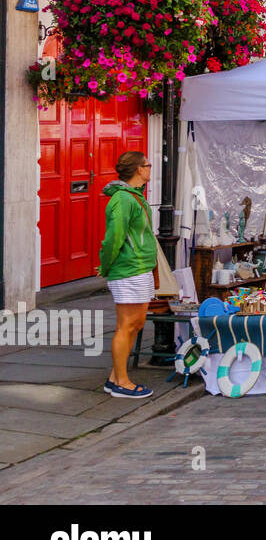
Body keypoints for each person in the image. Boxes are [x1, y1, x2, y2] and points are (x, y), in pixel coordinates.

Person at [98, 152, 156, 399]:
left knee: (136, 324)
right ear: (138, 170)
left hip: (139, 268)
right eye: (147, 165)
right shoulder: (123, 200)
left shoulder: (134, 197)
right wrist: (106, 265)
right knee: (127, 325)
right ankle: (121, 382)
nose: (150, 168)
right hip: (129, 269)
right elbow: (114, 238)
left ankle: (115, 377)